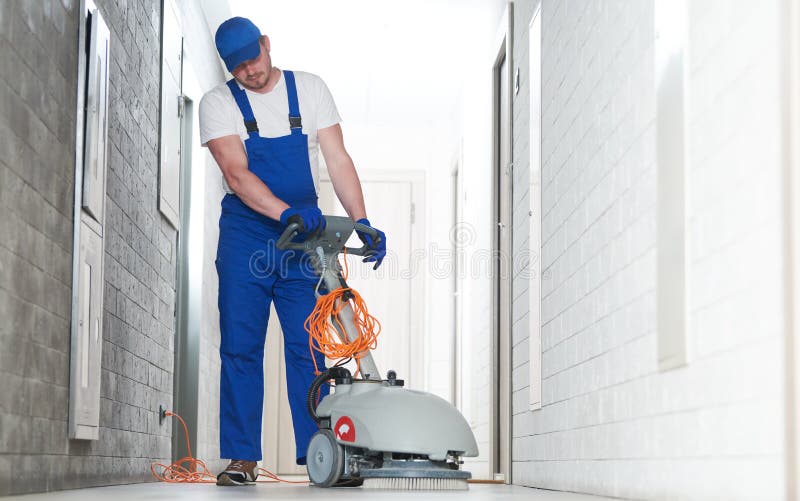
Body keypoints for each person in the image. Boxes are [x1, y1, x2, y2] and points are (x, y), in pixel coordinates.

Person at [199, 16, 387, 486]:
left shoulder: (310, 89)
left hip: (304, 237)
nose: (250, 72)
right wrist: (284, 212)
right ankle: (242, 458)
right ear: (229, 67)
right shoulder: (217, 104)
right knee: (242, 345)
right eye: (238, 67)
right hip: (247, 233)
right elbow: (237, 175)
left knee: (308, 346)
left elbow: (337, 158)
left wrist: (360, 218)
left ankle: (319, 455)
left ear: (266, 45)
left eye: (254, 59)